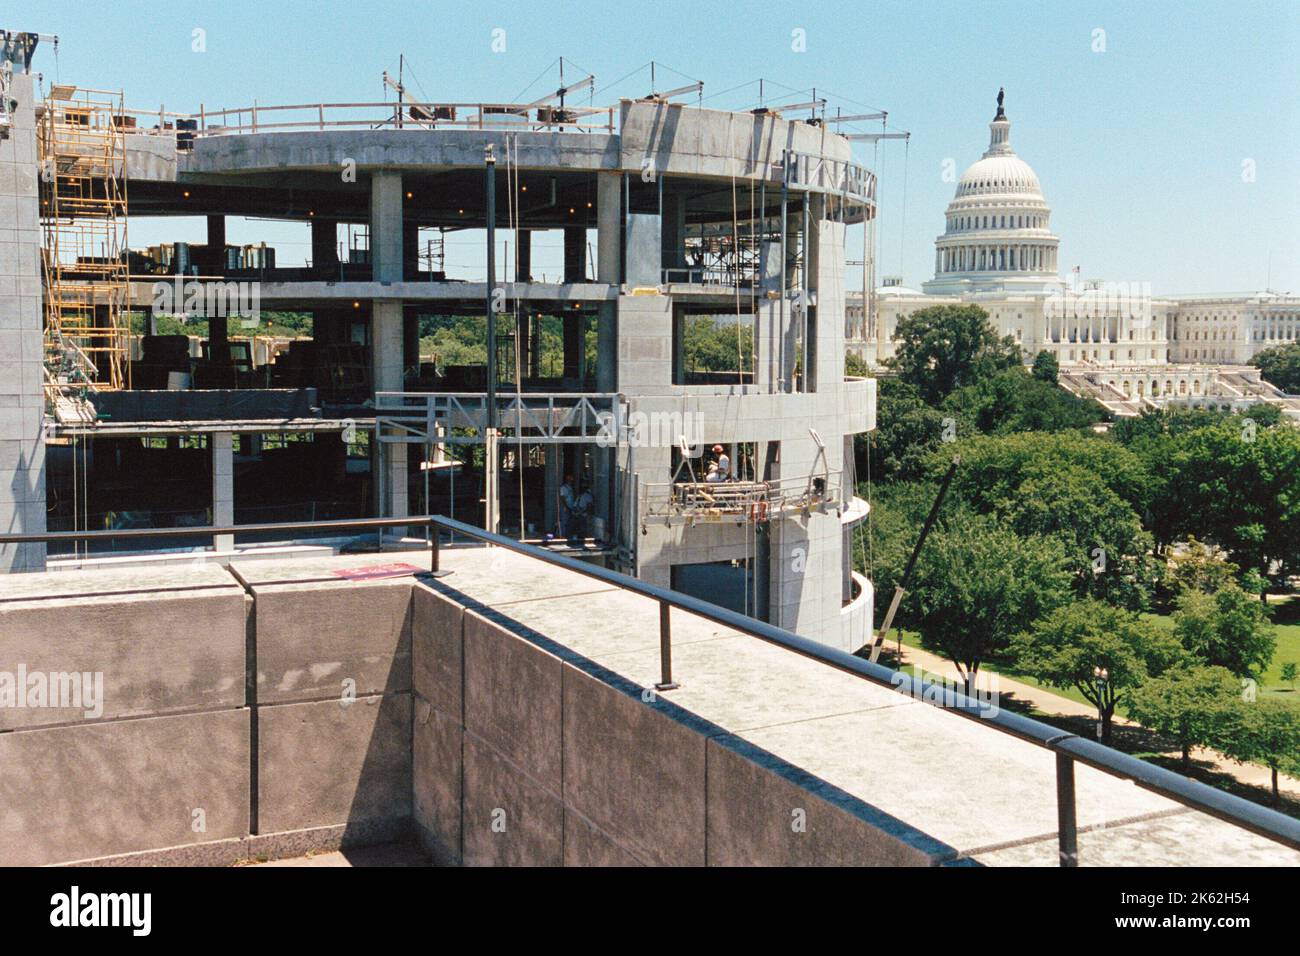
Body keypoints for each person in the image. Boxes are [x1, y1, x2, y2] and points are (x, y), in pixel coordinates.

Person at [558, 473, 576, 539]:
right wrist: (566, 506)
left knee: (568, 522)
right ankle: (563, 535)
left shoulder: (570, 487)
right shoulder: (563, 488)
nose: (571, 481)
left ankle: (567, 535)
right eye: (570, 480)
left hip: (570, 507)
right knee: (564, 522)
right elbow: (562, 498)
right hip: (565, 508)